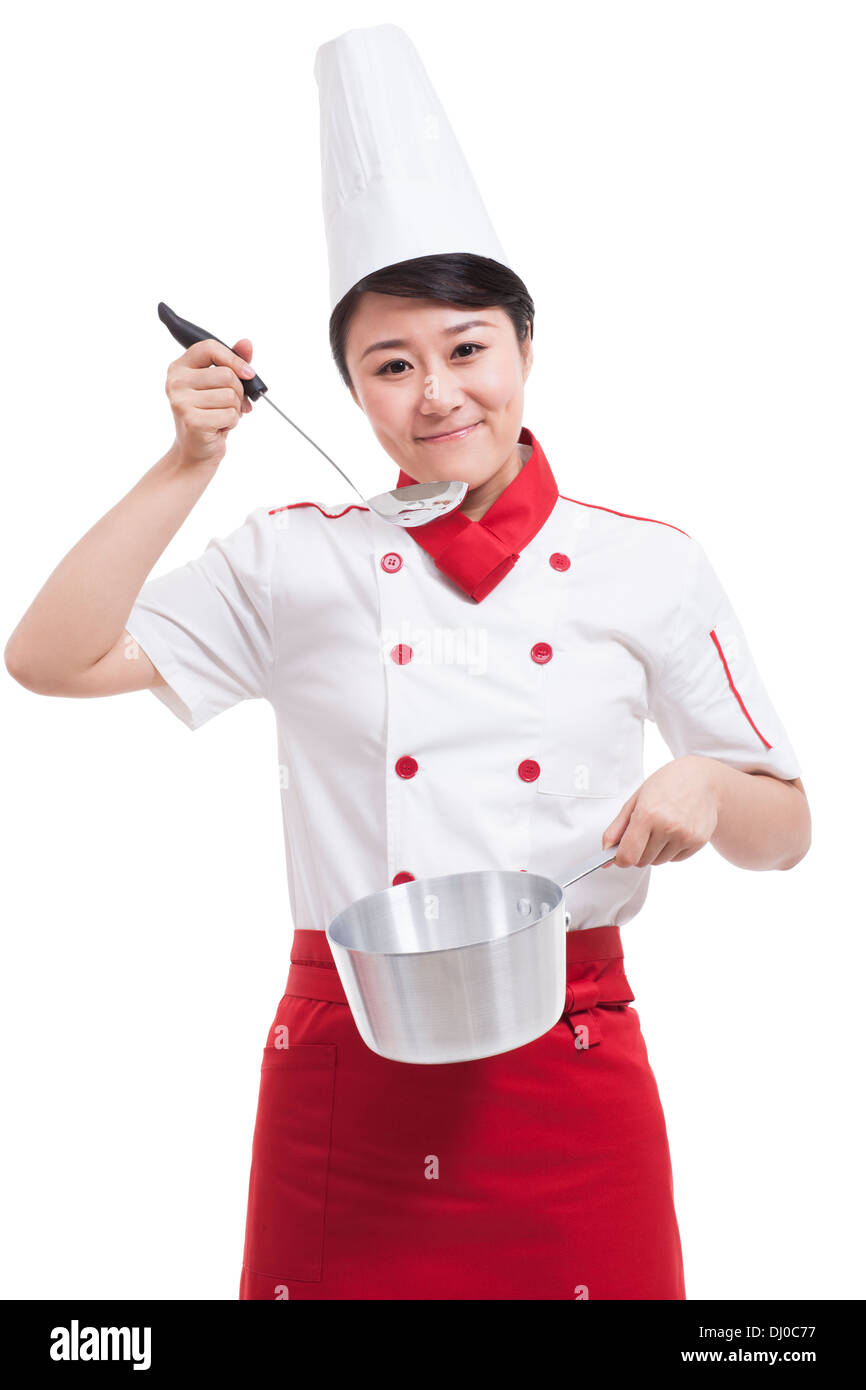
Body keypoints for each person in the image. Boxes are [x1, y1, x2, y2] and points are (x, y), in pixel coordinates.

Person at [4, 25, 811, 1300]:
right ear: (349, 393)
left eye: (467, 347)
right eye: (391, 365)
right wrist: (186, 464)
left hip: (570, 1051)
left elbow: (788, 831)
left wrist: (711, 792)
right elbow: (46, 659)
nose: (437, 392)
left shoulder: (646, 563)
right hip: (350, 1058)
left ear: (524, 351)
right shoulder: (292, 560)